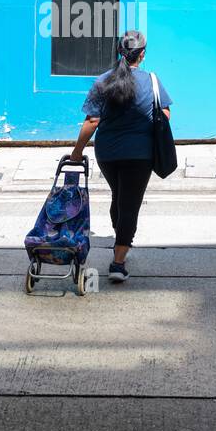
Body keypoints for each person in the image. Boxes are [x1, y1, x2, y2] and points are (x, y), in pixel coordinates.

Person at [69, 31, 172, 284]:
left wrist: (77, 151)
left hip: (108, 154)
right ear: (143, 54)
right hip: (140, 155)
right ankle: (118, 261)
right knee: (130, 204)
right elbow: (165, 114)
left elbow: (92, 121)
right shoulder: (152, 81)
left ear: (118, 52)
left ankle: (121, 239)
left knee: (120, 195)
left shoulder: (103, 81)